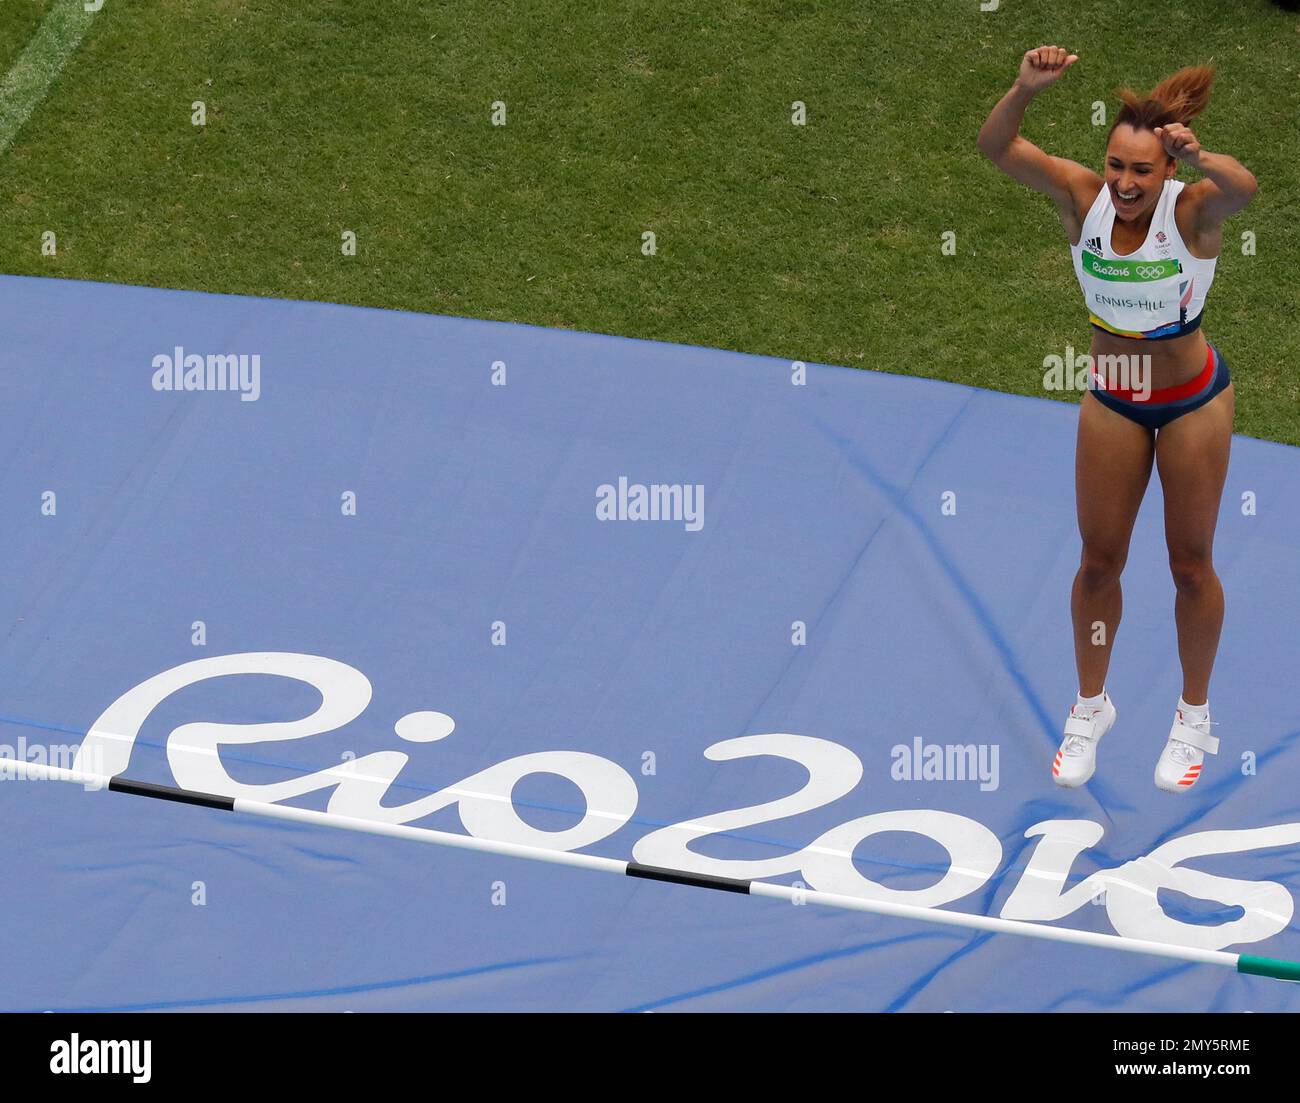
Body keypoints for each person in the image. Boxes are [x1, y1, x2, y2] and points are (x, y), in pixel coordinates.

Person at [976, 46, 1258, 792]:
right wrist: (1023, 90)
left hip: (1193, 398)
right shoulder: (1081, 198)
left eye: (1142, 170)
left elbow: (1244, 188)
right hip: (1114, 396)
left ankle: (1193, 716)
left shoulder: (1193, 211)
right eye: (1116, 166)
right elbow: (997, 147)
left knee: (1189, 565)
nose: (1126, 183)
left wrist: (1205, 157)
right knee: (1099, 562)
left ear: (1167, 172)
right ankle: (1090, 706)